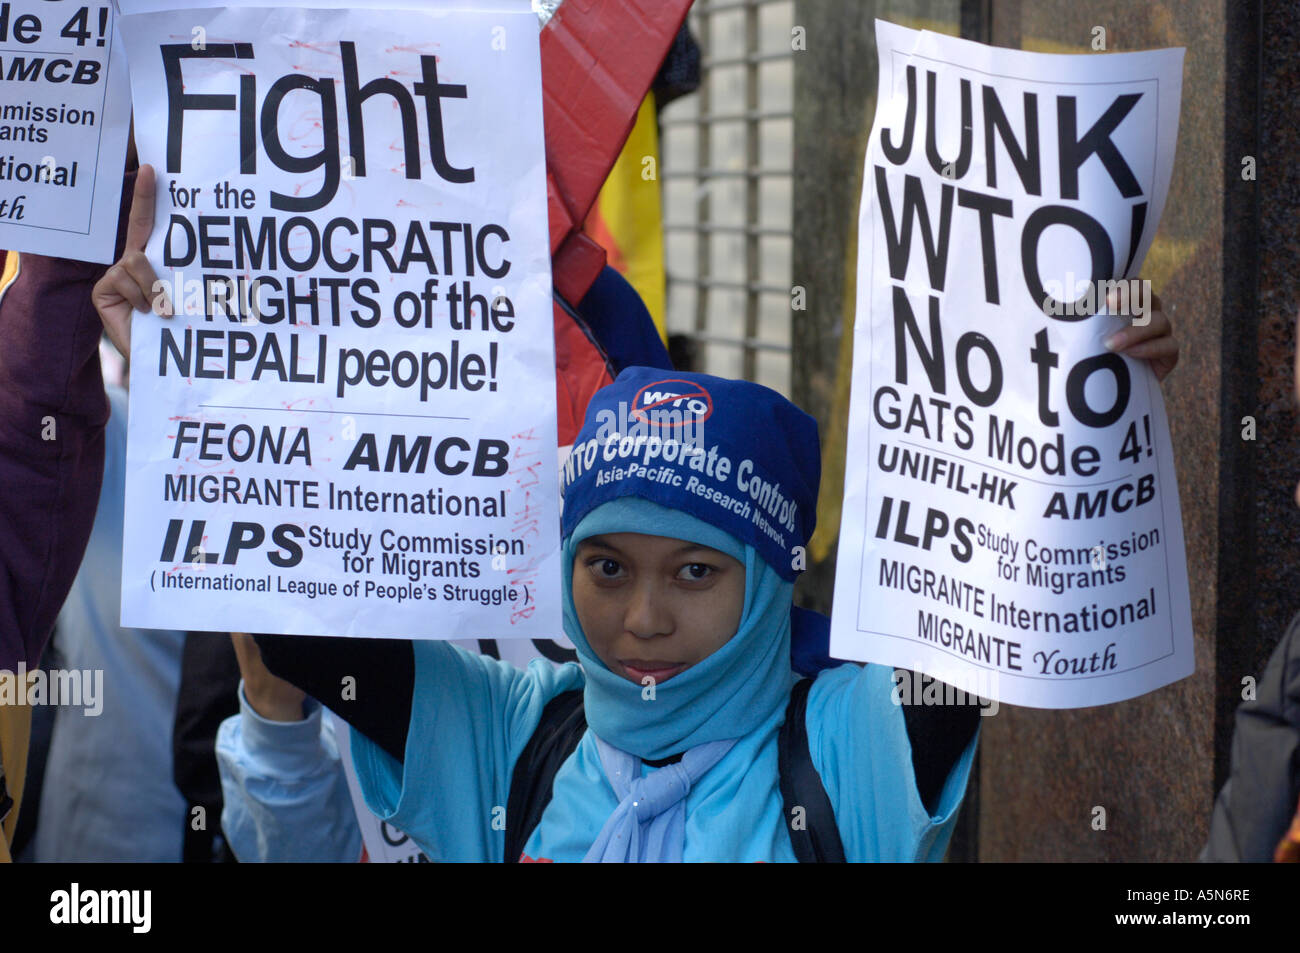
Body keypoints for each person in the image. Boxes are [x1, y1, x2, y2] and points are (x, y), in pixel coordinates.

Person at [93, 167, 1181, 862]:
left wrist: (1082, 386)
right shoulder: (519, 730)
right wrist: (194, 379)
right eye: (605, 567)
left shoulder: (843, 740)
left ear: (767, 582)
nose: (642, 618)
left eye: (695, 572)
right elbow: (296, 622)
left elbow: (984, 594)